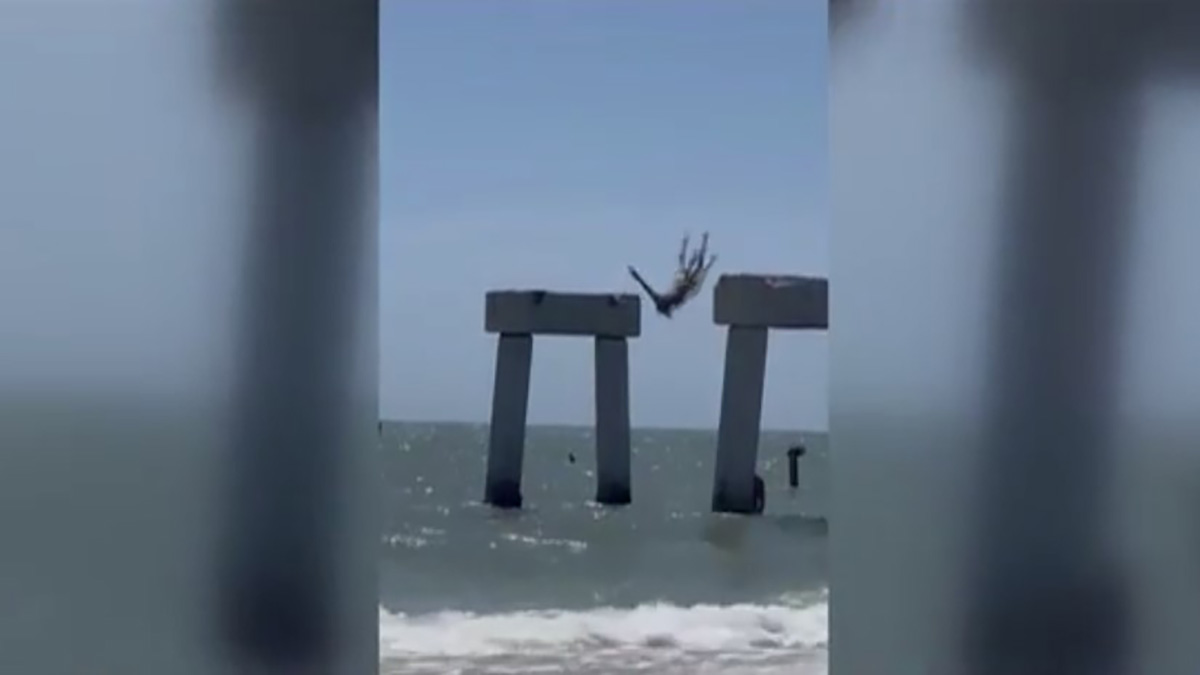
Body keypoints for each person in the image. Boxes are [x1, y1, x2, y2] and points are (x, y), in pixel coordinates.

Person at [627, 232, 717, 318]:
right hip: (684, 289)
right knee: (692, 271)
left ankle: (697, 245)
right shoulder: (678, 298)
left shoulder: (661, 299)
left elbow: (645, 287)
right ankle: (699, 245)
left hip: (681, 288)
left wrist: (636, 275)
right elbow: (696, 269)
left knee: (687, 270)